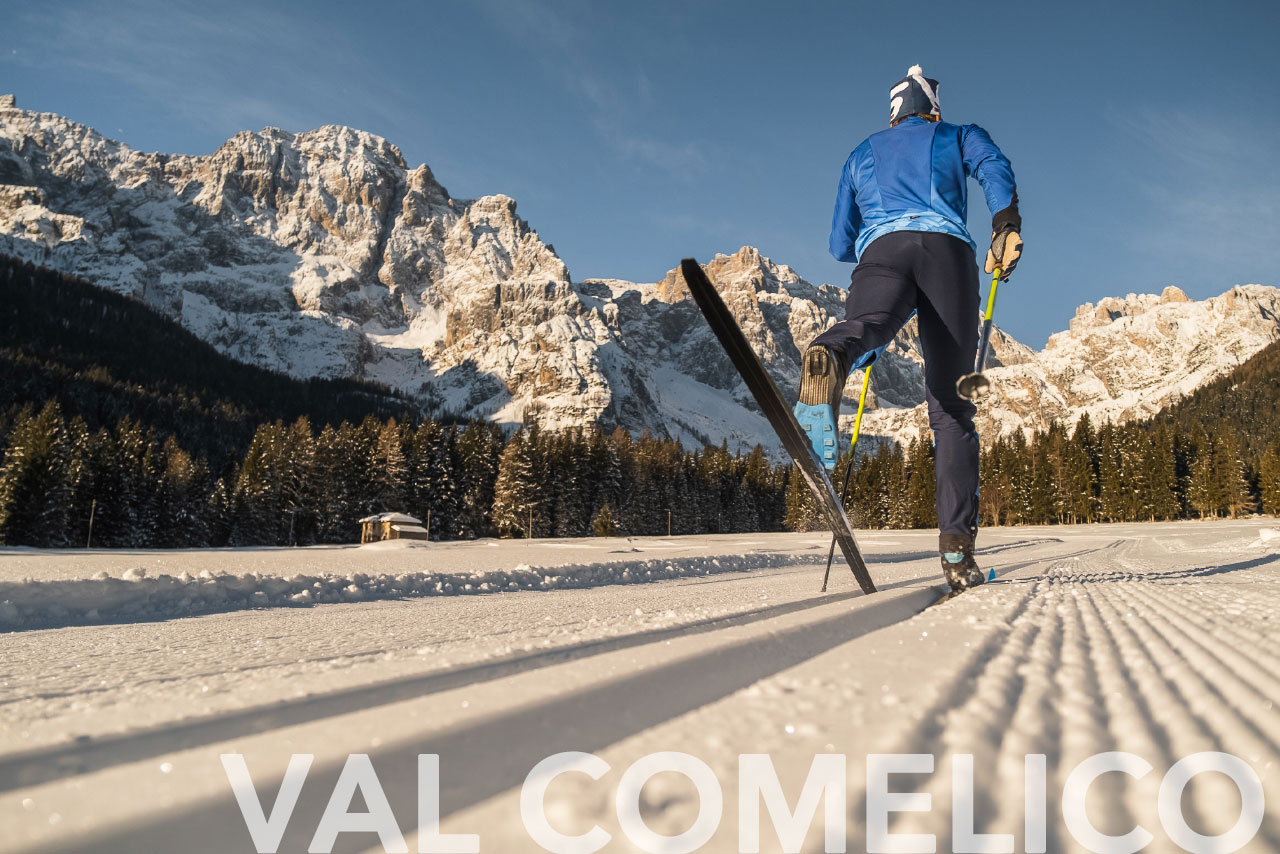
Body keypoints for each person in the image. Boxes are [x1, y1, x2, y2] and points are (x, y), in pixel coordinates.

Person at [793, 64, 1023, 592]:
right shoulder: (959, 135)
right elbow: (993, 166)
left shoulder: (861, 153)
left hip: (881, 251)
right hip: (946, 253)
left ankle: (832, 352)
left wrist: (880, 236)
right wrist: (1005, 223)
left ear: (894, 114)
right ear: (932, 108)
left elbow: (837, 244)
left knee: (866, 326)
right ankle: (957, 553)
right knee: (951, 408)